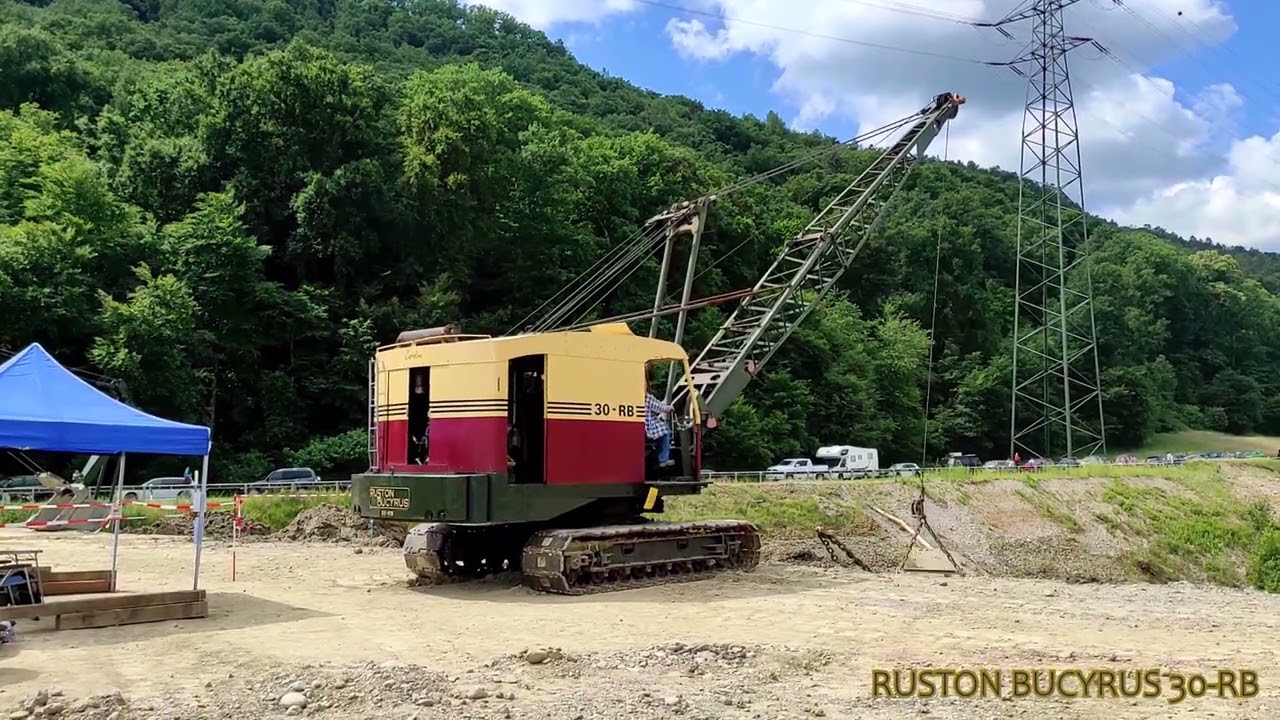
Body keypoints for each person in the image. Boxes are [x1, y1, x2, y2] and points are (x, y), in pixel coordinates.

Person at [644, 381, 675, 468]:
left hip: (642, 427)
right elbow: (660, 408)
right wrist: (670, 408)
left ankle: (657, 454)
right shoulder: (647, 397)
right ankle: (663, 458)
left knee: (660, 432)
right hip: (649, 426)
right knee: (665, 430)